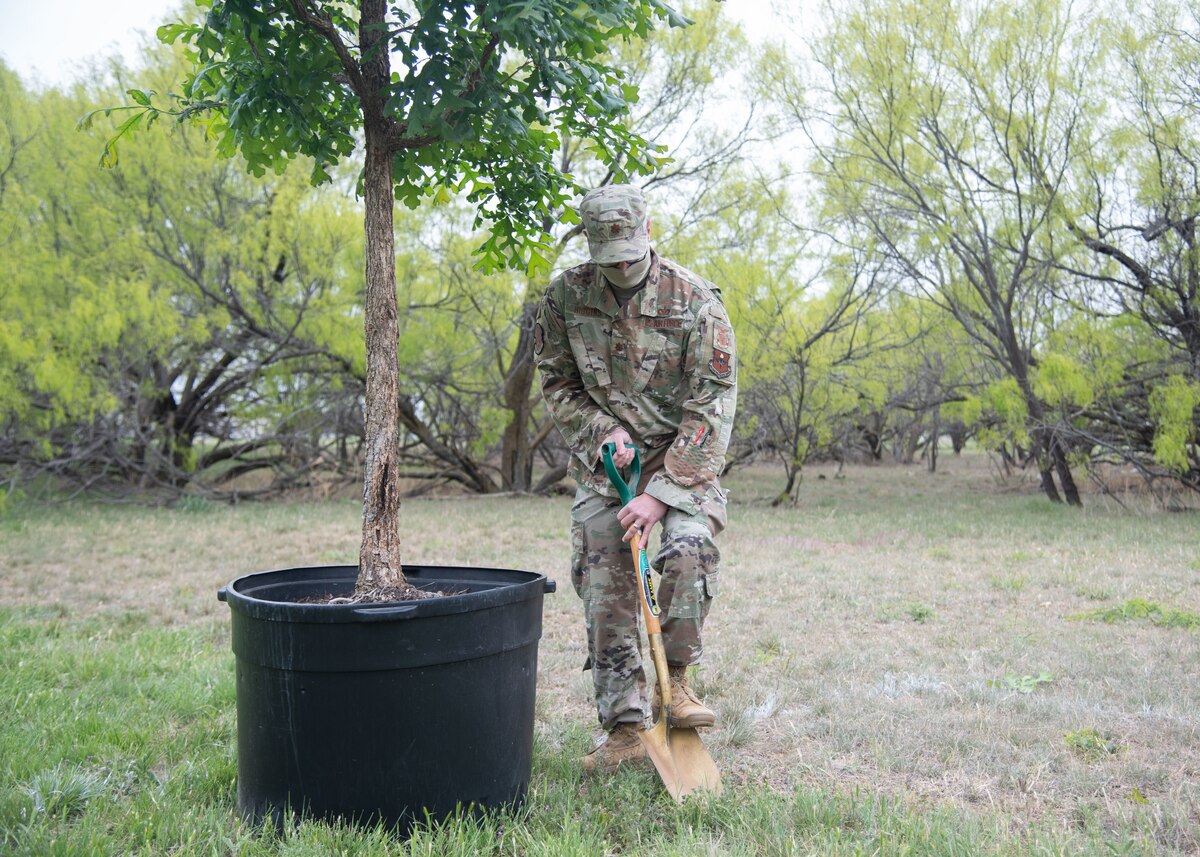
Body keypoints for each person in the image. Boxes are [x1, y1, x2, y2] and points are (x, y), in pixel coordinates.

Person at [533, 184, 737, 773]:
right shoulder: (564, 299)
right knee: (605, 582)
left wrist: (661, 495)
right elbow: (558, 384)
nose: (622, 265)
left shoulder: (696, 302)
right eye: (610, 256)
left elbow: (712, 406)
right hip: (607, 471)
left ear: (650, 234)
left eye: (631, 251)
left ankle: (678, 681)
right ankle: (624, 727)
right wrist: (602, 433)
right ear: (591, 246)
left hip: (683, 463)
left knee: (687, 552)